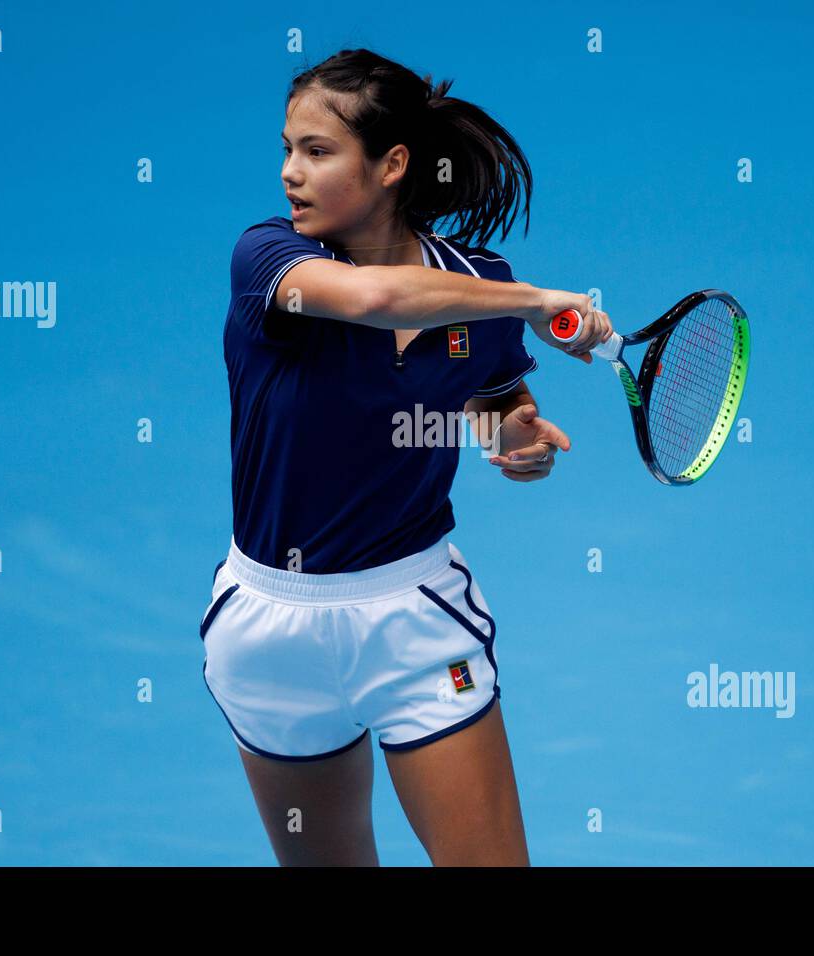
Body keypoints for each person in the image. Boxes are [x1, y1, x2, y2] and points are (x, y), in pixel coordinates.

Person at [200, 47, 612, 866]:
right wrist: (537, 300)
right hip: (269, 627)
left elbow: (491, 402)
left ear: (391, 164)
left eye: (317, 152)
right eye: (287, 148)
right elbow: (377, 298)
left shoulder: (475, 289)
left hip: (414, 621)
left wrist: (514, 441)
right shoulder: (268, 262)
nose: (291, 173)